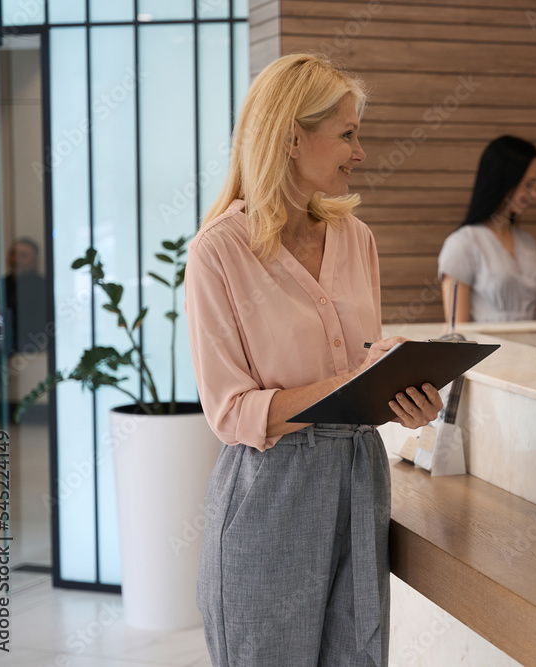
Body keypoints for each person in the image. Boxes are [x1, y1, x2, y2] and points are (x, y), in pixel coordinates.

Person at [184, 54, 442, 666]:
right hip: (271, 491)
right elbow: (232, 413)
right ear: (292, 137)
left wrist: (400, 399)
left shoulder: (358, 238)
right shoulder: (218, 252)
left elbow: (359, 367)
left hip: (359, 475)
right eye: (347, 134)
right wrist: (354, 382)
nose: (360, 152)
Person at [438, 135, 536, 324]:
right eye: (528, 185)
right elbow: (457, 331)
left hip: (535, 352)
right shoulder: (462, 244)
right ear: (503, 181)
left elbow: (534, 318)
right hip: (493, 354)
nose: (534, 193)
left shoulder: (528, 242)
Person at [0, 238, 46, 431]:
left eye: (23, 255)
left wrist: (0, 316)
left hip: (26, 338)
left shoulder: (40, 286)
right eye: (14, 253)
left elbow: (36, 323)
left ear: (34, 261)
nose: (16, 259)